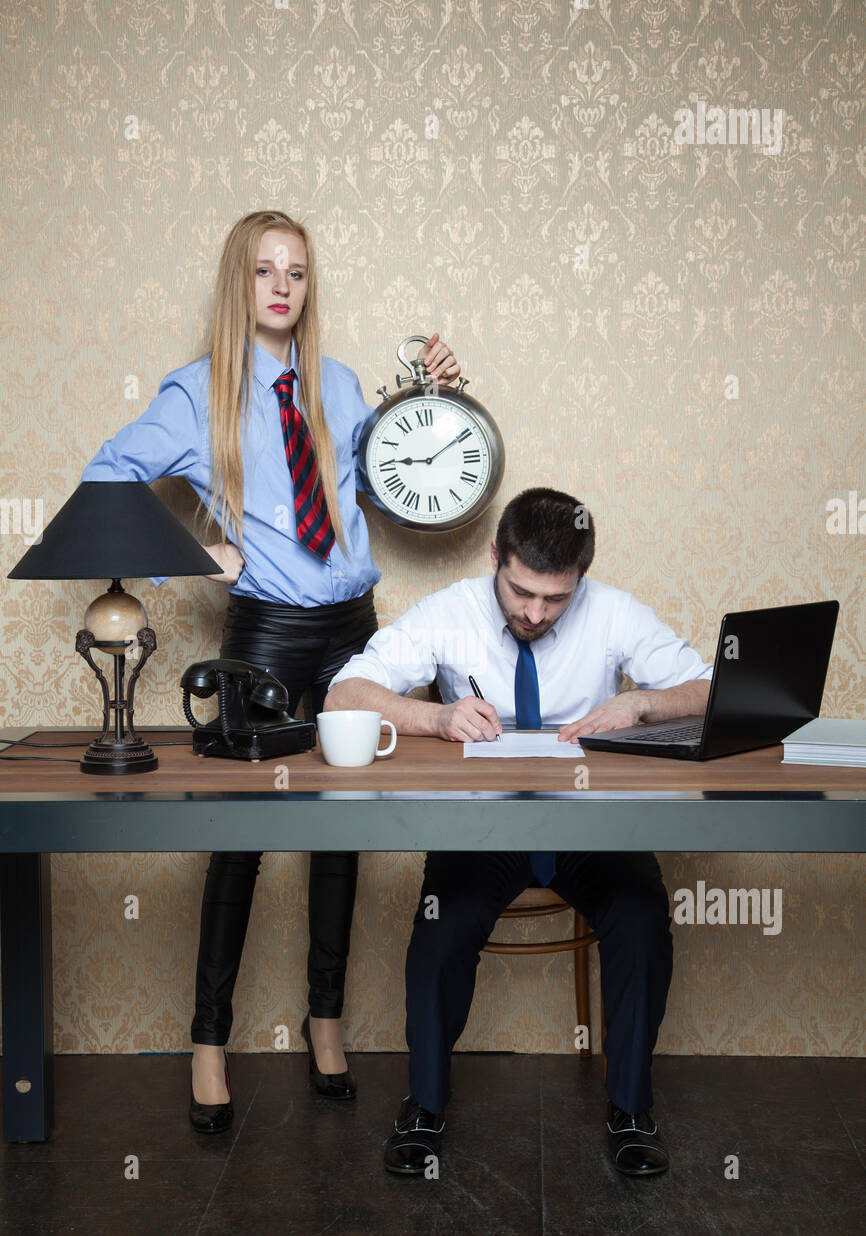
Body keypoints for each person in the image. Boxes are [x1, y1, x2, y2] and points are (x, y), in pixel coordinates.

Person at [80, 208, 461, 1131]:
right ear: (238, 284)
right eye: (264, 270)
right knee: (240, 838)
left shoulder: (335, 385)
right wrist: (194, 552)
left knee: (341, 829)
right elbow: (105, 476)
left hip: (351, 630)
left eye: (296, 271)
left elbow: (402, 480)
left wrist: (434, 402)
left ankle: (323, 1022)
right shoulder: (197, 393)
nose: (282, 285)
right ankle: (208, 1042)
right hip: (264, 634)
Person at [324, 487, 713, 1177]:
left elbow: (710, 690)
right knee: (440, 934)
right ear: (496, 557)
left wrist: (639, 701)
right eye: (522, 592)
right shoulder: (449, 613)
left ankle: (629, 1109)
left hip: (590, 825)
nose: (535, 613)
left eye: (555, 600)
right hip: (483, 826)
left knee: (644, 918)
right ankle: (425, 1107)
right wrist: (435, 720)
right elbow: (345, 693)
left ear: (580, 581)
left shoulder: (613, 611)